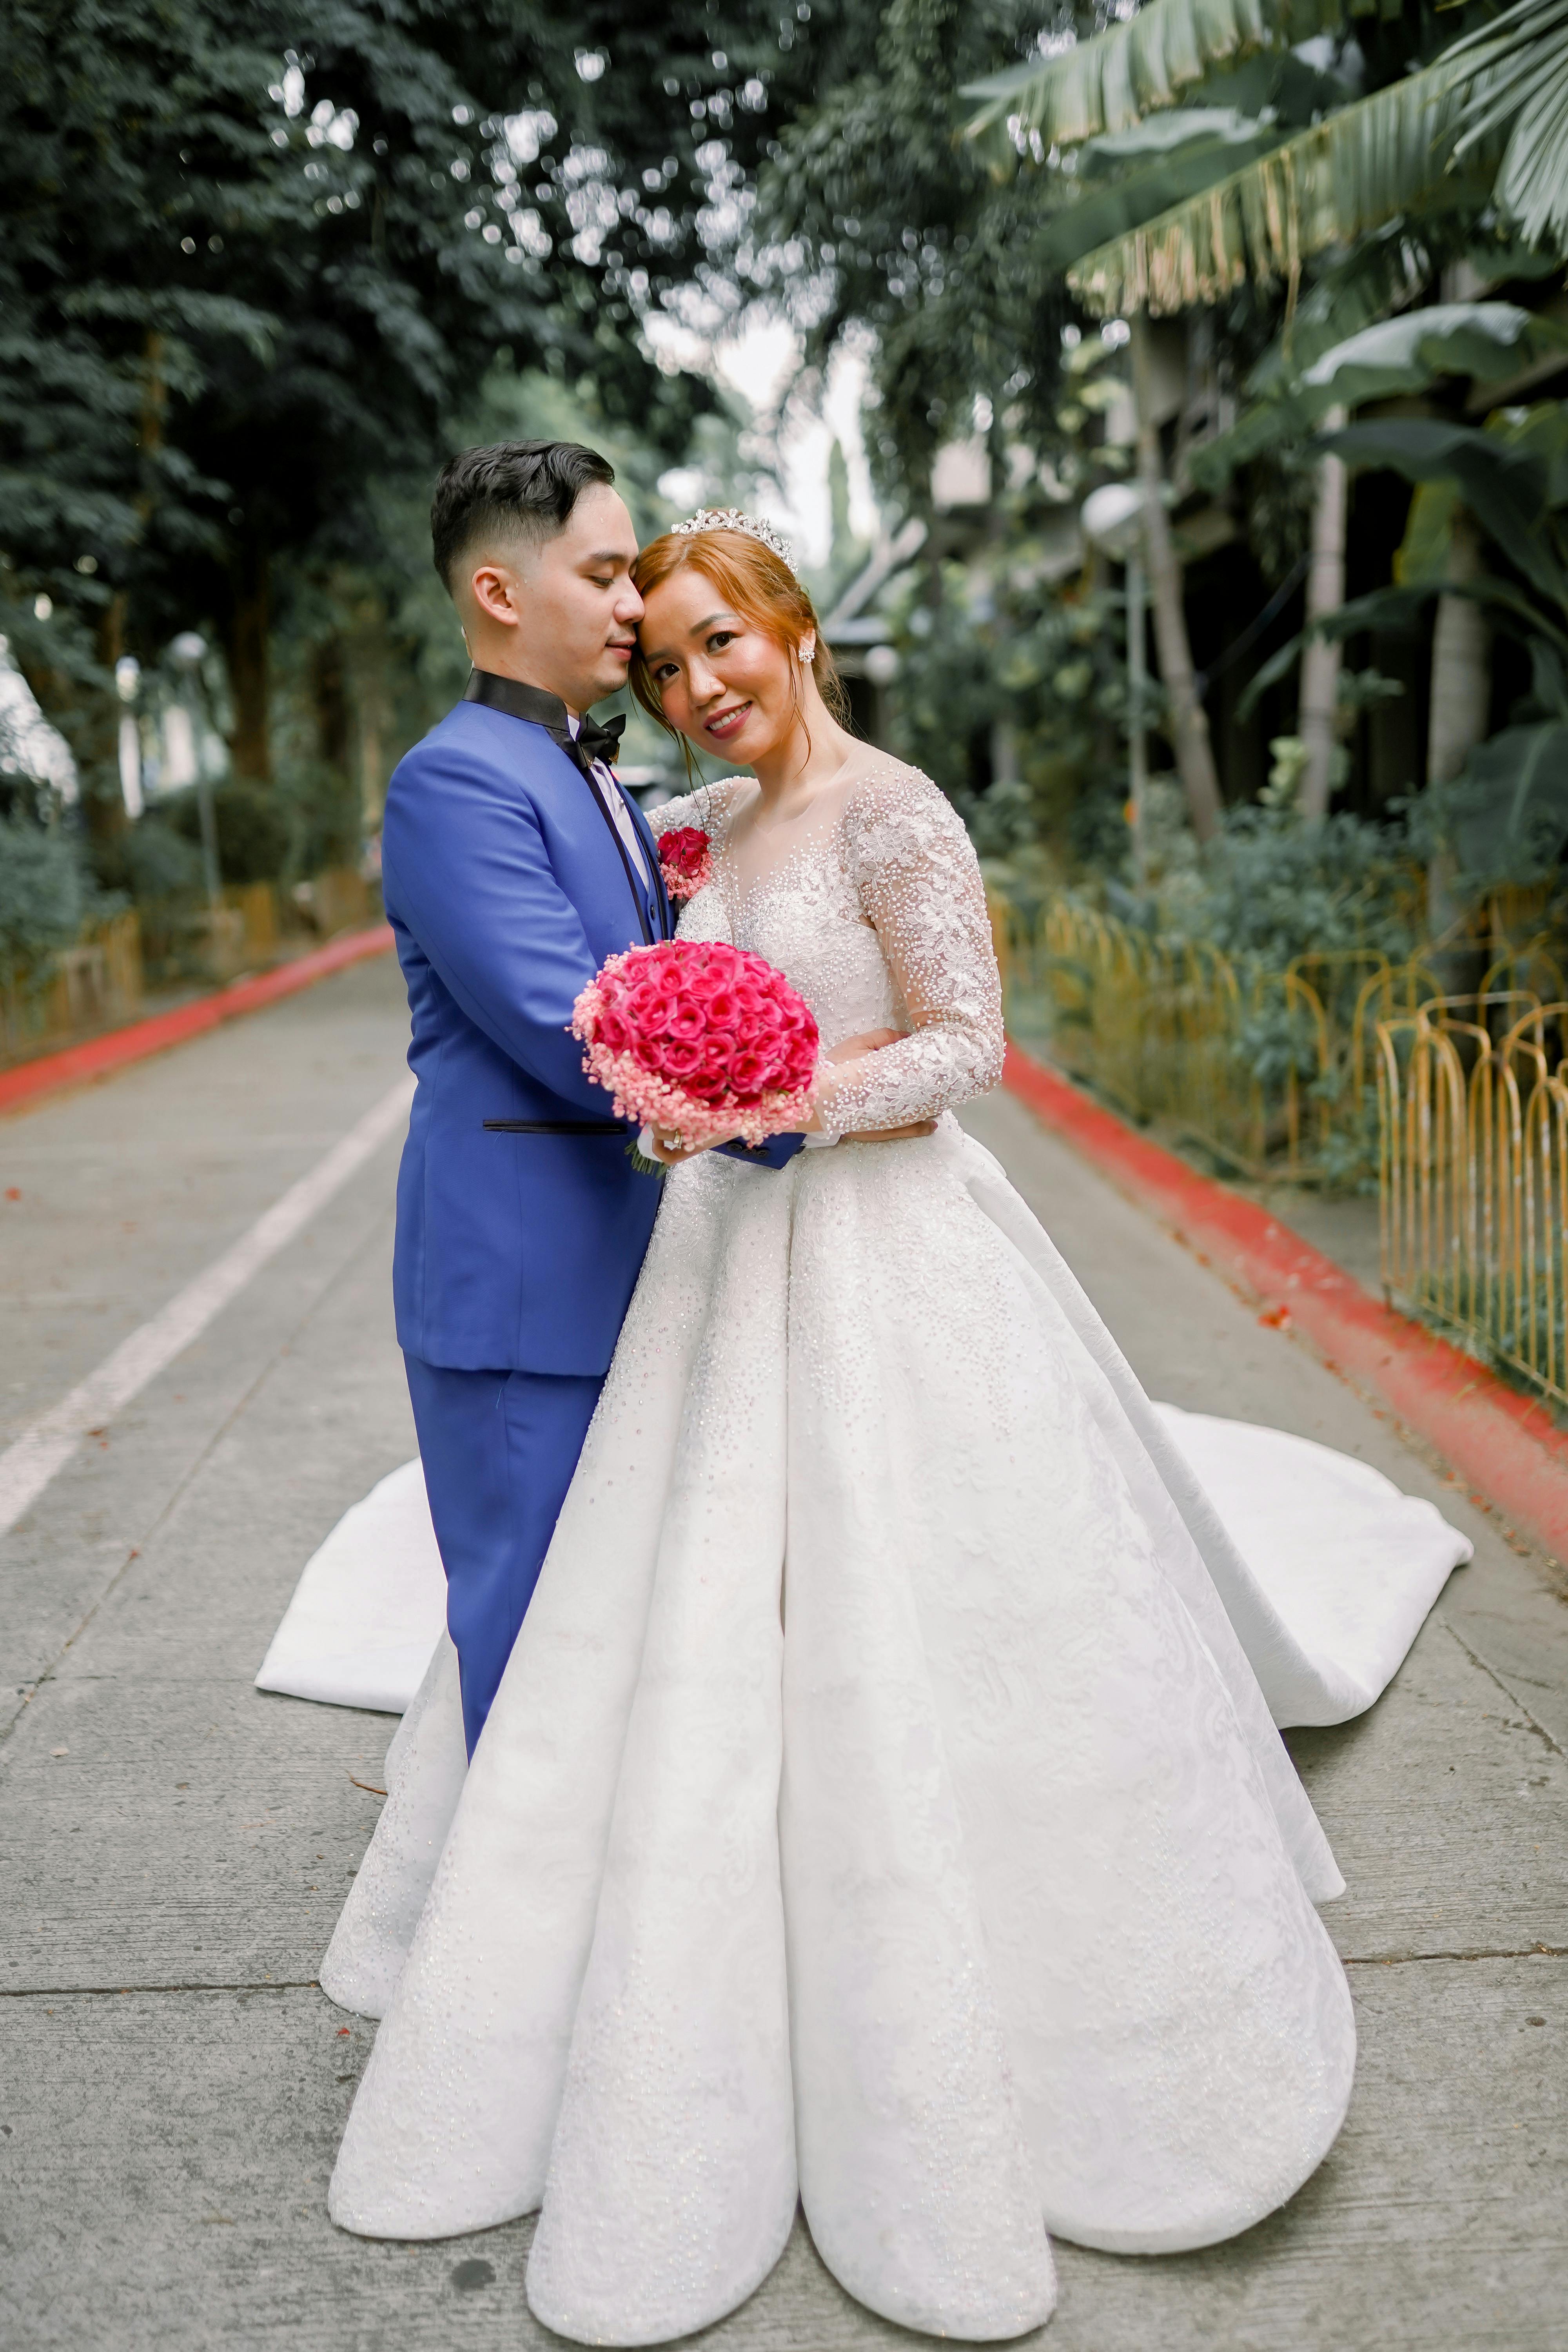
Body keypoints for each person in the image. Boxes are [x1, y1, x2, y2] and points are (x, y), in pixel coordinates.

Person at [278, 512, 1470, 2343]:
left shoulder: (899, 810)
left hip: (887, 1254)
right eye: (665, 662)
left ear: (793, 629)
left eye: (719, 644)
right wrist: (677, 1086)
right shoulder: (698, 830)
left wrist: (779, 1098)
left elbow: (965, 1046)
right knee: (682, 1608)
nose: (696, 685)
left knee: (939, 1611)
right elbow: (599, 995)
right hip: (715, 1262)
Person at [375, 448, 800, 1761]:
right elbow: (583, 1027)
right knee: (529, 1621)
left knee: (617, 1624)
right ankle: (500, 1947)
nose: (637, 605)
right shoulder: (456, 780)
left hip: (630, 1269)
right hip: (523, 1287)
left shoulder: (590, 768)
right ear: (500, 590)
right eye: (606, 573)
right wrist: (798, 1108)